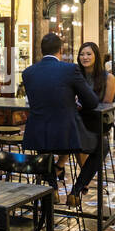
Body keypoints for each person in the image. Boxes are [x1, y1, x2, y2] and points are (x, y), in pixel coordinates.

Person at [21, 32, 101, 204]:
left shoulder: (28, 73)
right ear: (61, 50)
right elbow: (92, 102)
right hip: (66, 135)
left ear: (40, 51)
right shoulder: (70, 69)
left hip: (38, 134)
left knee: (45, 149)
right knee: (102, 145)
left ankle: (52, 187)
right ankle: (77, 190)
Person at [68, 42, 115, 206]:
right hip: (78, 120)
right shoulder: (75, 75)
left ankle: (76, 185)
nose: (85, 57)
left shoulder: (108, 78)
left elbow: (105, 105)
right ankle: (80, 182)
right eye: (82, 54)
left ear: (96, 56)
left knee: (101, 144)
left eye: (88, 54)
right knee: (74, 138)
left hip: (97, 122)